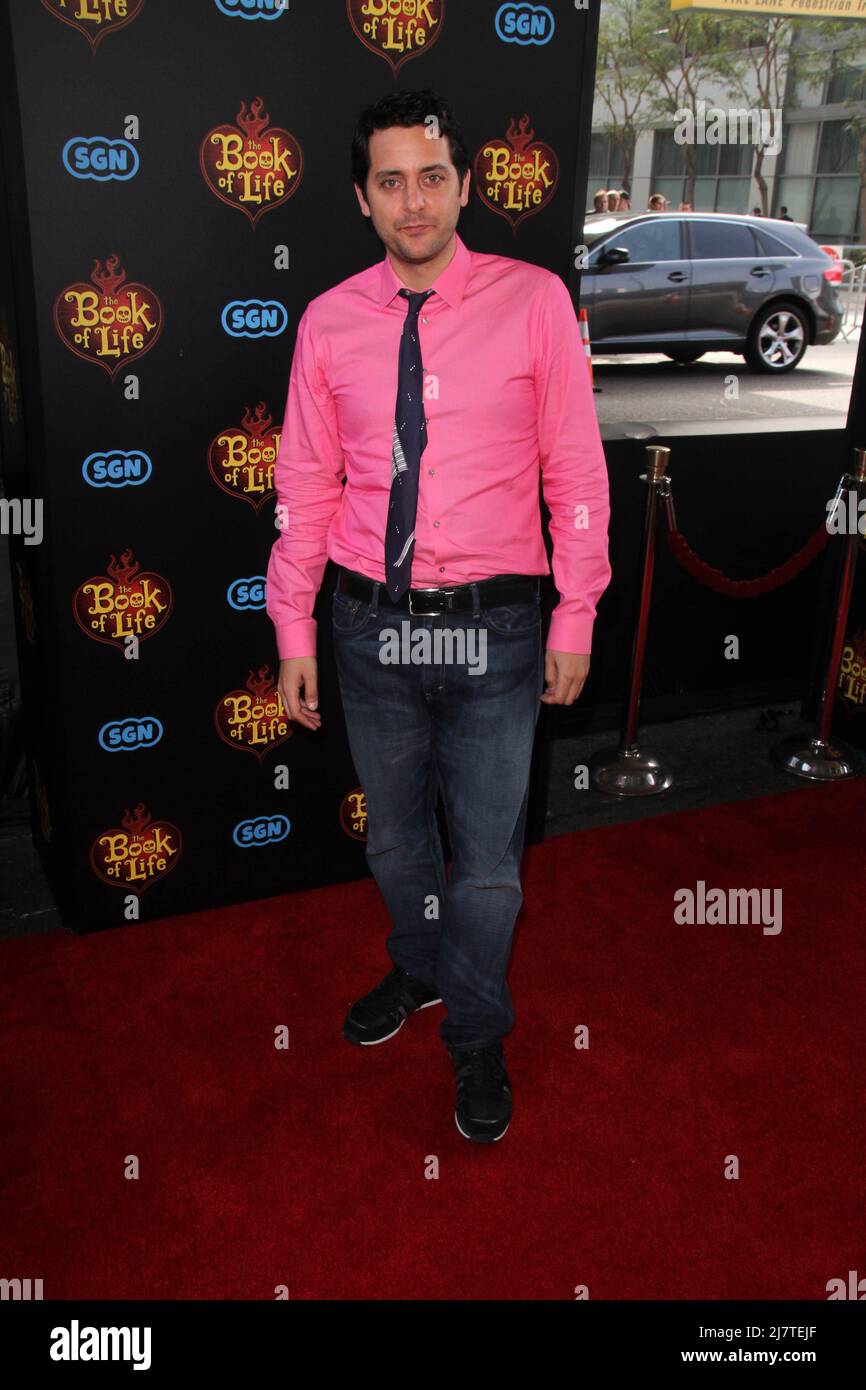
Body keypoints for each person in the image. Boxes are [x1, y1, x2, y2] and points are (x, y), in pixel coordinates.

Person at [266, 89, 612, 1144]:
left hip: (497, 629)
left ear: (464, 185)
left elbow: (574, 466)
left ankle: (473, 1030)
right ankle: (417, 967)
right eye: (388, 181)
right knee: (398, 843)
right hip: (369, 625)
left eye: (431, 177)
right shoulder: (327, 321)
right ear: (361, 198)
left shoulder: (535, 300)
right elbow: (304, 483)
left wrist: (575, 612)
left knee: (492, 860)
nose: (411, 201)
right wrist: (292, 628)